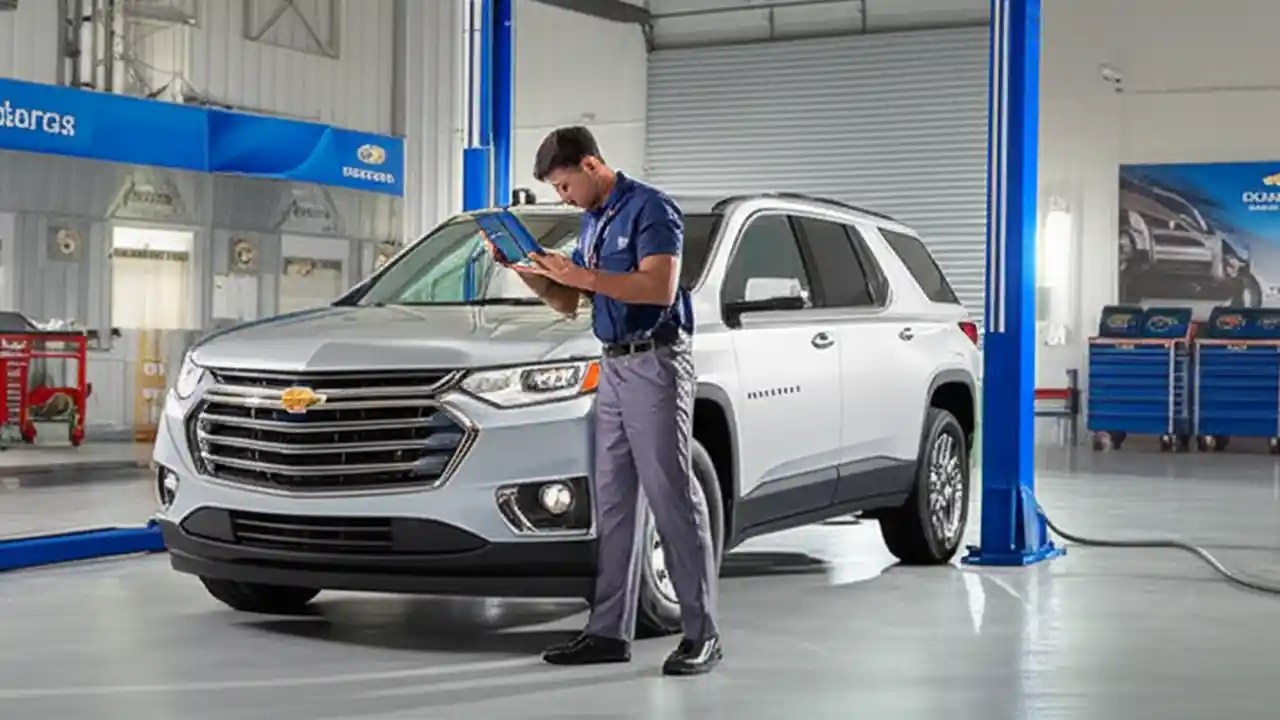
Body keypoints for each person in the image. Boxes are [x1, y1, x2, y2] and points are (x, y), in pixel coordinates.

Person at [510, 126, 722, 676]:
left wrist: (579, 272)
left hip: (656, 363)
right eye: (556, 189)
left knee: (672, 498)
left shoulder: (653, 209)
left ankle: (702, 634)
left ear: (591, 164)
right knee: (614, 502)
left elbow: (657, 288)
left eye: (564, 184)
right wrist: (531, 272)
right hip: (613, 365)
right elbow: (570, 303)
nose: (564, 196)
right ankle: (608, 632)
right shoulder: (593, 221)